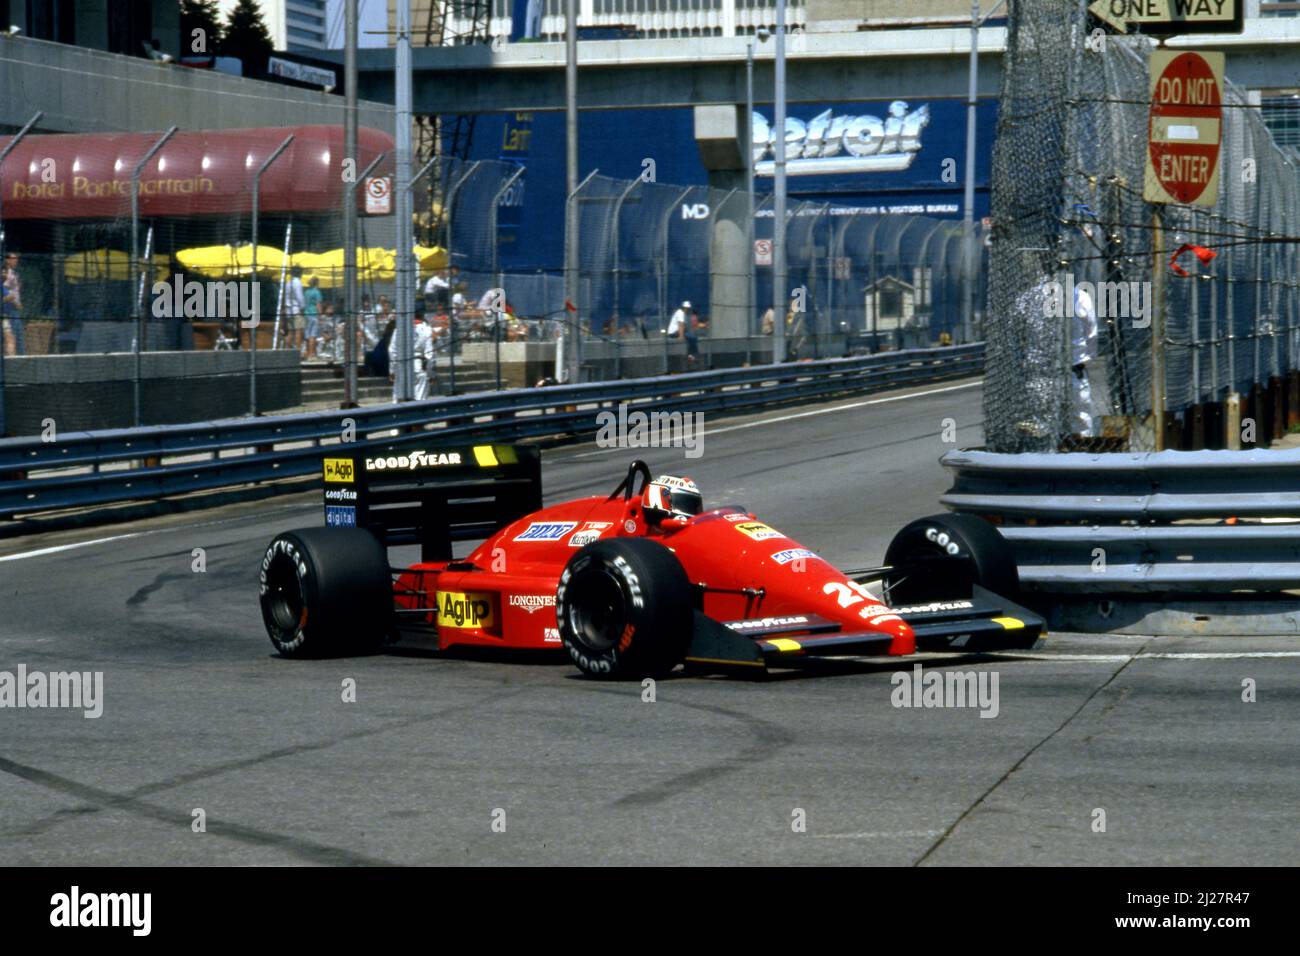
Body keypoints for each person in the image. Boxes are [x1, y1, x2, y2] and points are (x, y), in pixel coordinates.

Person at [389, 305, 435, 401]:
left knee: (398, 400)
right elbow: (429, 355)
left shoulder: (399, 329)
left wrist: (392, 371)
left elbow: (392, 351)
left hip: (401, 366)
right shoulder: (427, 330)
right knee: (419, 402)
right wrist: (431, 374)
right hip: (419, 367)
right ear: (423, 315)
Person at [1071, 281, 1099, 438]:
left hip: (1040, 373)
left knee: (1042, 425)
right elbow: (1092, 335)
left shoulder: (1029, 297)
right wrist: (1086, 358)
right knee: (1080, 423)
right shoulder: (1080, 297)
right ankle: (1080, 457)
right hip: (1074, 369)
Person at [285, 267, 306, 355]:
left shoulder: (288, 283)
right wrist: (302, 307)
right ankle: (297, 351)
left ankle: (288, 350)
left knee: (290, 331)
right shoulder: (297, 282)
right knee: (298, 330)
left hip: (289, 310)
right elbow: (299, 296)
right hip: (296, 309)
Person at [301, 274, 322, 360]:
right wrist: (320, 315)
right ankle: (311, 354)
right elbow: (318, 304)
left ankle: (307, 353)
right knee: (313, 336)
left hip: (306, 314)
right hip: (314, 314)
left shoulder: (306, 292)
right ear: (317, 283)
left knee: (307, 335)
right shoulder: (317, 292)